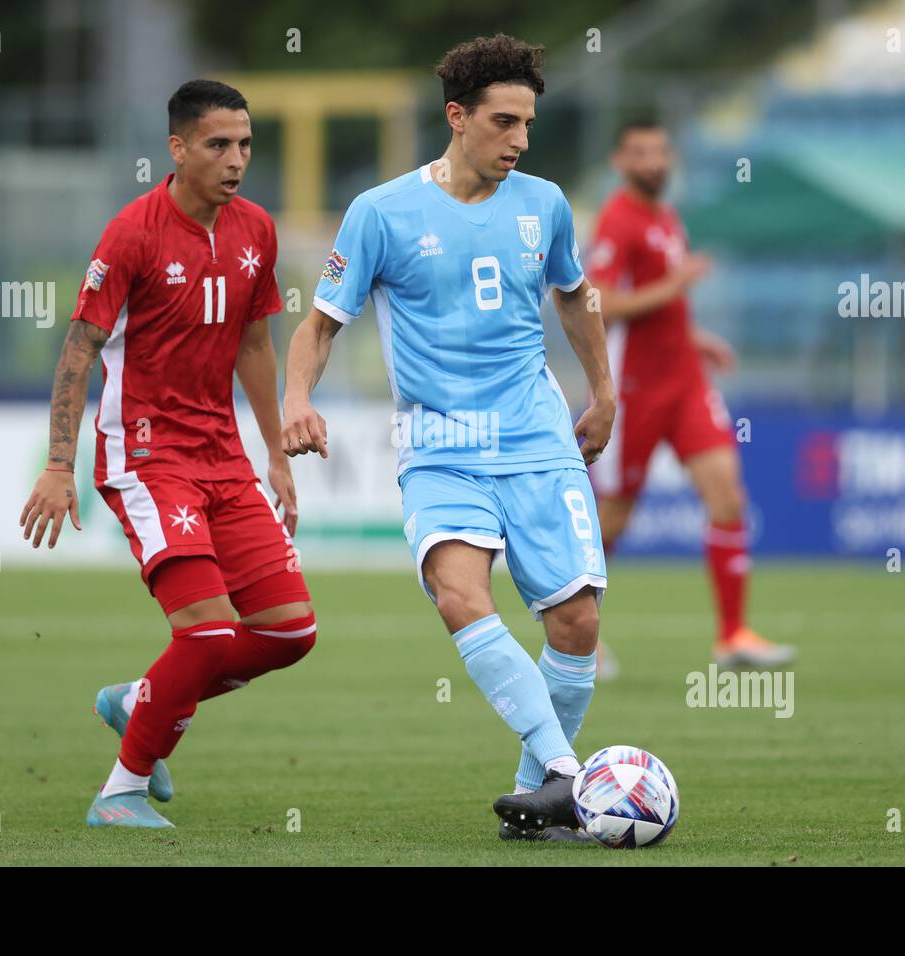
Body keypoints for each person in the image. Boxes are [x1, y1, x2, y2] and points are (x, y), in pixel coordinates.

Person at [282, 35, 613, 840]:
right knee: (460, 597)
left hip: (536, 436)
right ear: (457, 117)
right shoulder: (381, 213)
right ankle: (570, 772)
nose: (520, 141)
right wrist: (296, 396)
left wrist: (604, 391)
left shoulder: (546, 204)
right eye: (504, 122)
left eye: (529, 124)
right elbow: (319, 327)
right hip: (441, 446)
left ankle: (538, 795)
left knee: (577, 625)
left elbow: (575, 296)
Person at [19, 79, 316, 829]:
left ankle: (137, 700)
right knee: (210, 632)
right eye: (218, 144)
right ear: (176, 149)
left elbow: (254, 342)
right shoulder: (133, 233)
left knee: (289, 632)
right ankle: (119, 792)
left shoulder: (255, 230)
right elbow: (79, 349)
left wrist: (275, 447)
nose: (236, 159)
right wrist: (59, 466)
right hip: (148, 458)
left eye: (246, 144)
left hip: (223, 457)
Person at [587, 120, 794, 670]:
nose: (653, 161)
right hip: (634, 391)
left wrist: (693, 338)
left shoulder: (665, 215)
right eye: (639, 152)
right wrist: (674, 287)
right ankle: (574, 629)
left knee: (728, 497)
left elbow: (654, 308)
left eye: (659, 150)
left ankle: (732, 636)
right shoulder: (618, 220)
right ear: (619, 161)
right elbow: (600, 303)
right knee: (615, 518)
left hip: (685, 383)